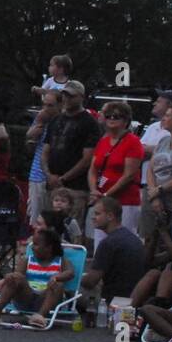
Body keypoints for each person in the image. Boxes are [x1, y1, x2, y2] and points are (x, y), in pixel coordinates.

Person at [0, 226, 74, 329]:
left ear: (49, 247)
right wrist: (12, 277)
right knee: (14, 278)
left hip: (46, 299)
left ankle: (40, 316)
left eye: (36, 244)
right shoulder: (28, 260)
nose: (32, 247)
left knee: (58, 284)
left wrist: (57, 277)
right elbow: (18, 277)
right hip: (27, 297)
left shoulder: (61, 261)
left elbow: (70, 272)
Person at [40, 80, 99, 232]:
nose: (67, 99)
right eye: (64, 95)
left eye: (71, 96)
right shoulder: (56, 120)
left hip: (75, 187)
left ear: (81, 97)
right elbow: (45, 149)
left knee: (72, 229)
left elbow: (87, 159)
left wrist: (63, 178)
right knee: (48, 227)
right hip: (52, 184)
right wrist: (48, 174)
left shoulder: (89, 123)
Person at [87, 100, 143, 245]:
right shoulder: (103, 141)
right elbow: (93, 169)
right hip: (102, 201)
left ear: (126, 121)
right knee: (100, 242)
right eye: (108, 116)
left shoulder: (133, 142)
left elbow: (129, 175)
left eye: (116, 116)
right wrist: (94, 190)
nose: (111, 119)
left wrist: (106, 195)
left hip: (125, 201)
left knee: (123, 241)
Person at [79, 197, 146, 302]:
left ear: (110, 216)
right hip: (135, 299)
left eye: (97, 214)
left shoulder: (108, 243)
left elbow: (90, 282)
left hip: (114, 302)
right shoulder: (133, 239)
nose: (93, 217)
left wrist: (74, 278)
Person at [138, 91, 172, 238]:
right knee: (149, 236)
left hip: (169, 195)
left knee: (168, 239)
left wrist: (159, 190)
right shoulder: (163, 141)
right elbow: (151, 167)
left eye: (168, 116)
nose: (164, 118)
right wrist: (154, 192)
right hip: (152, 191)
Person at [25, 89, 62, 225]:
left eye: (50, 105)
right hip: (37, 175)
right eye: (44, 105)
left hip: (57, 176)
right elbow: (30, 150)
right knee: (37, 219)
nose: (46, 109)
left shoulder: (63, 122)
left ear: (60, 105)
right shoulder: (41, 119)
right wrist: (31, 136)